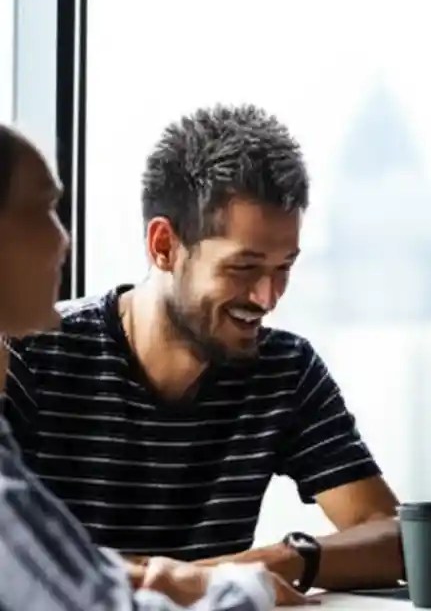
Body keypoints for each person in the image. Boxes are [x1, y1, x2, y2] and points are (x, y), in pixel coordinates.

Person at [2, 105, 403, 594]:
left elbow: (392, 534)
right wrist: (204, 583)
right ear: (164, 245)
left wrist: (281, 559)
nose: (267, 297)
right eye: (244, 268)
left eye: (284, 268)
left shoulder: (285, 369)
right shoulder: (32, 354)